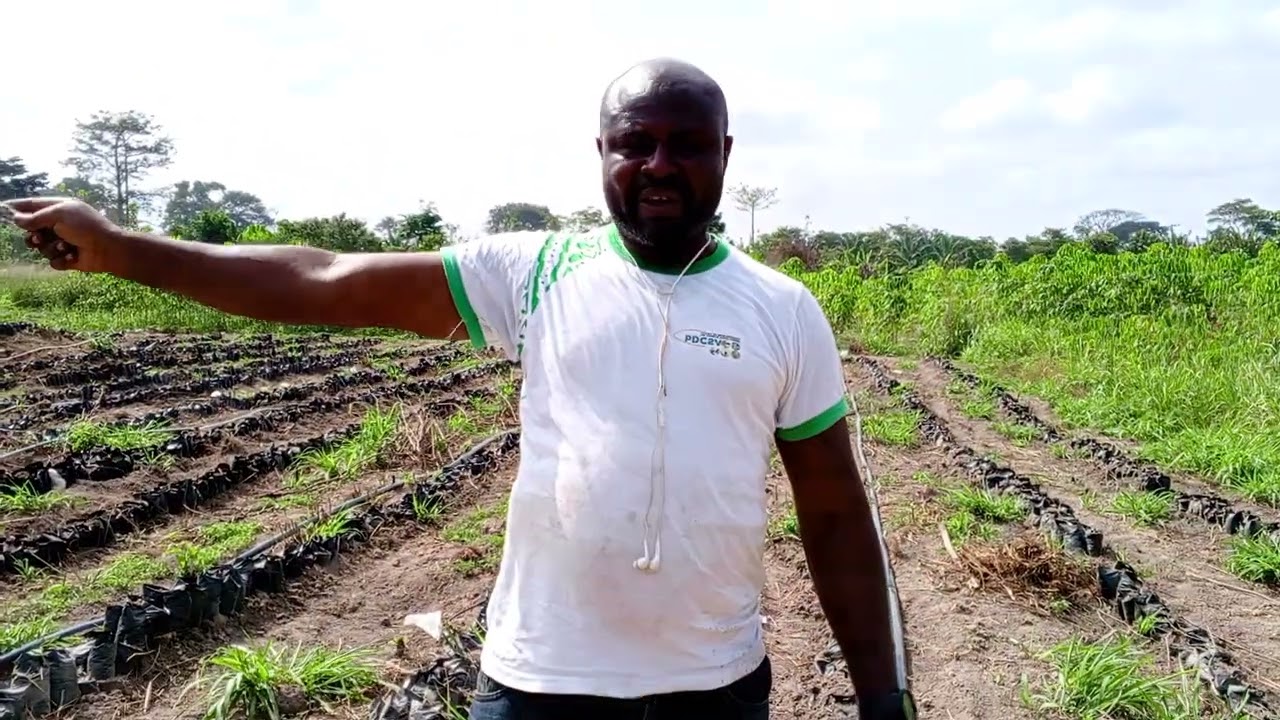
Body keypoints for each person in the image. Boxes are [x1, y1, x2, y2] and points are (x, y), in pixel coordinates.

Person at [5, 58, 916, 720]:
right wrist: (125, 250)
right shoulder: (537, 272)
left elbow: (835, 513)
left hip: (715, 687)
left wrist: (882, 696)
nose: (659, 167)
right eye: (635, 144)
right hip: (539, 683)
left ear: (725, 152)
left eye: (685, 146)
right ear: (601, 151)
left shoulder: (782, 309)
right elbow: (324, 279)